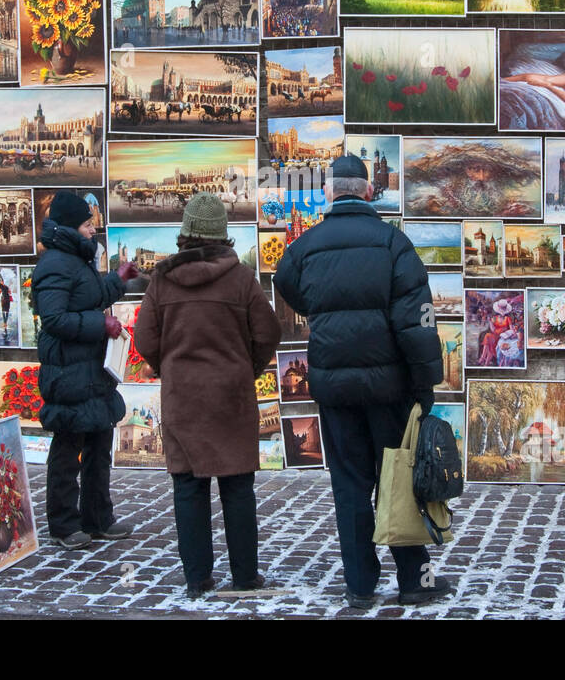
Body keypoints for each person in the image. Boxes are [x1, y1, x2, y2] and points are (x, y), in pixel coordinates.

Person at [274, 155, 451, 609]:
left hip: (335, 387)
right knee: (399, 480)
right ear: (369, 191)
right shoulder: (394, 244)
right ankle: (416, 580)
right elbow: (418, 323)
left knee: (349, 483)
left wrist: (321, 310)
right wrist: (425, 384)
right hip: (389, 386)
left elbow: (285, 283)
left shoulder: (306, 246)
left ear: (330, 193)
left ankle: (358, 583)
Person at [132, 193, 281, 598]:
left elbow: (144, 338)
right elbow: (268, 333)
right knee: (237, 487)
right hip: (231, 395)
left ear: (184, 235)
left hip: (183, 398)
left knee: (188, 487)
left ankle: (198, 579)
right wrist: (245, 367)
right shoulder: (241, 278)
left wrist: (168, 366)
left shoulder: (162, 280)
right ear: (223, 236)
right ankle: (246, 577)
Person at [34, 191, 141, 549]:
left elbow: (91, 294)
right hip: (68, 371)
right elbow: (54, 318)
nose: (93, 229)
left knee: (99, 441)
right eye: (87, 224)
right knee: (68, 449)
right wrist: (101, 326)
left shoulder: (78, 260)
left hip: (92, 370)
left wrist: (119, 279)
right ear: (69, 228)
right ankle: (64, 524)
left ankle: (98, 518)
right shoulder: (53, 265)